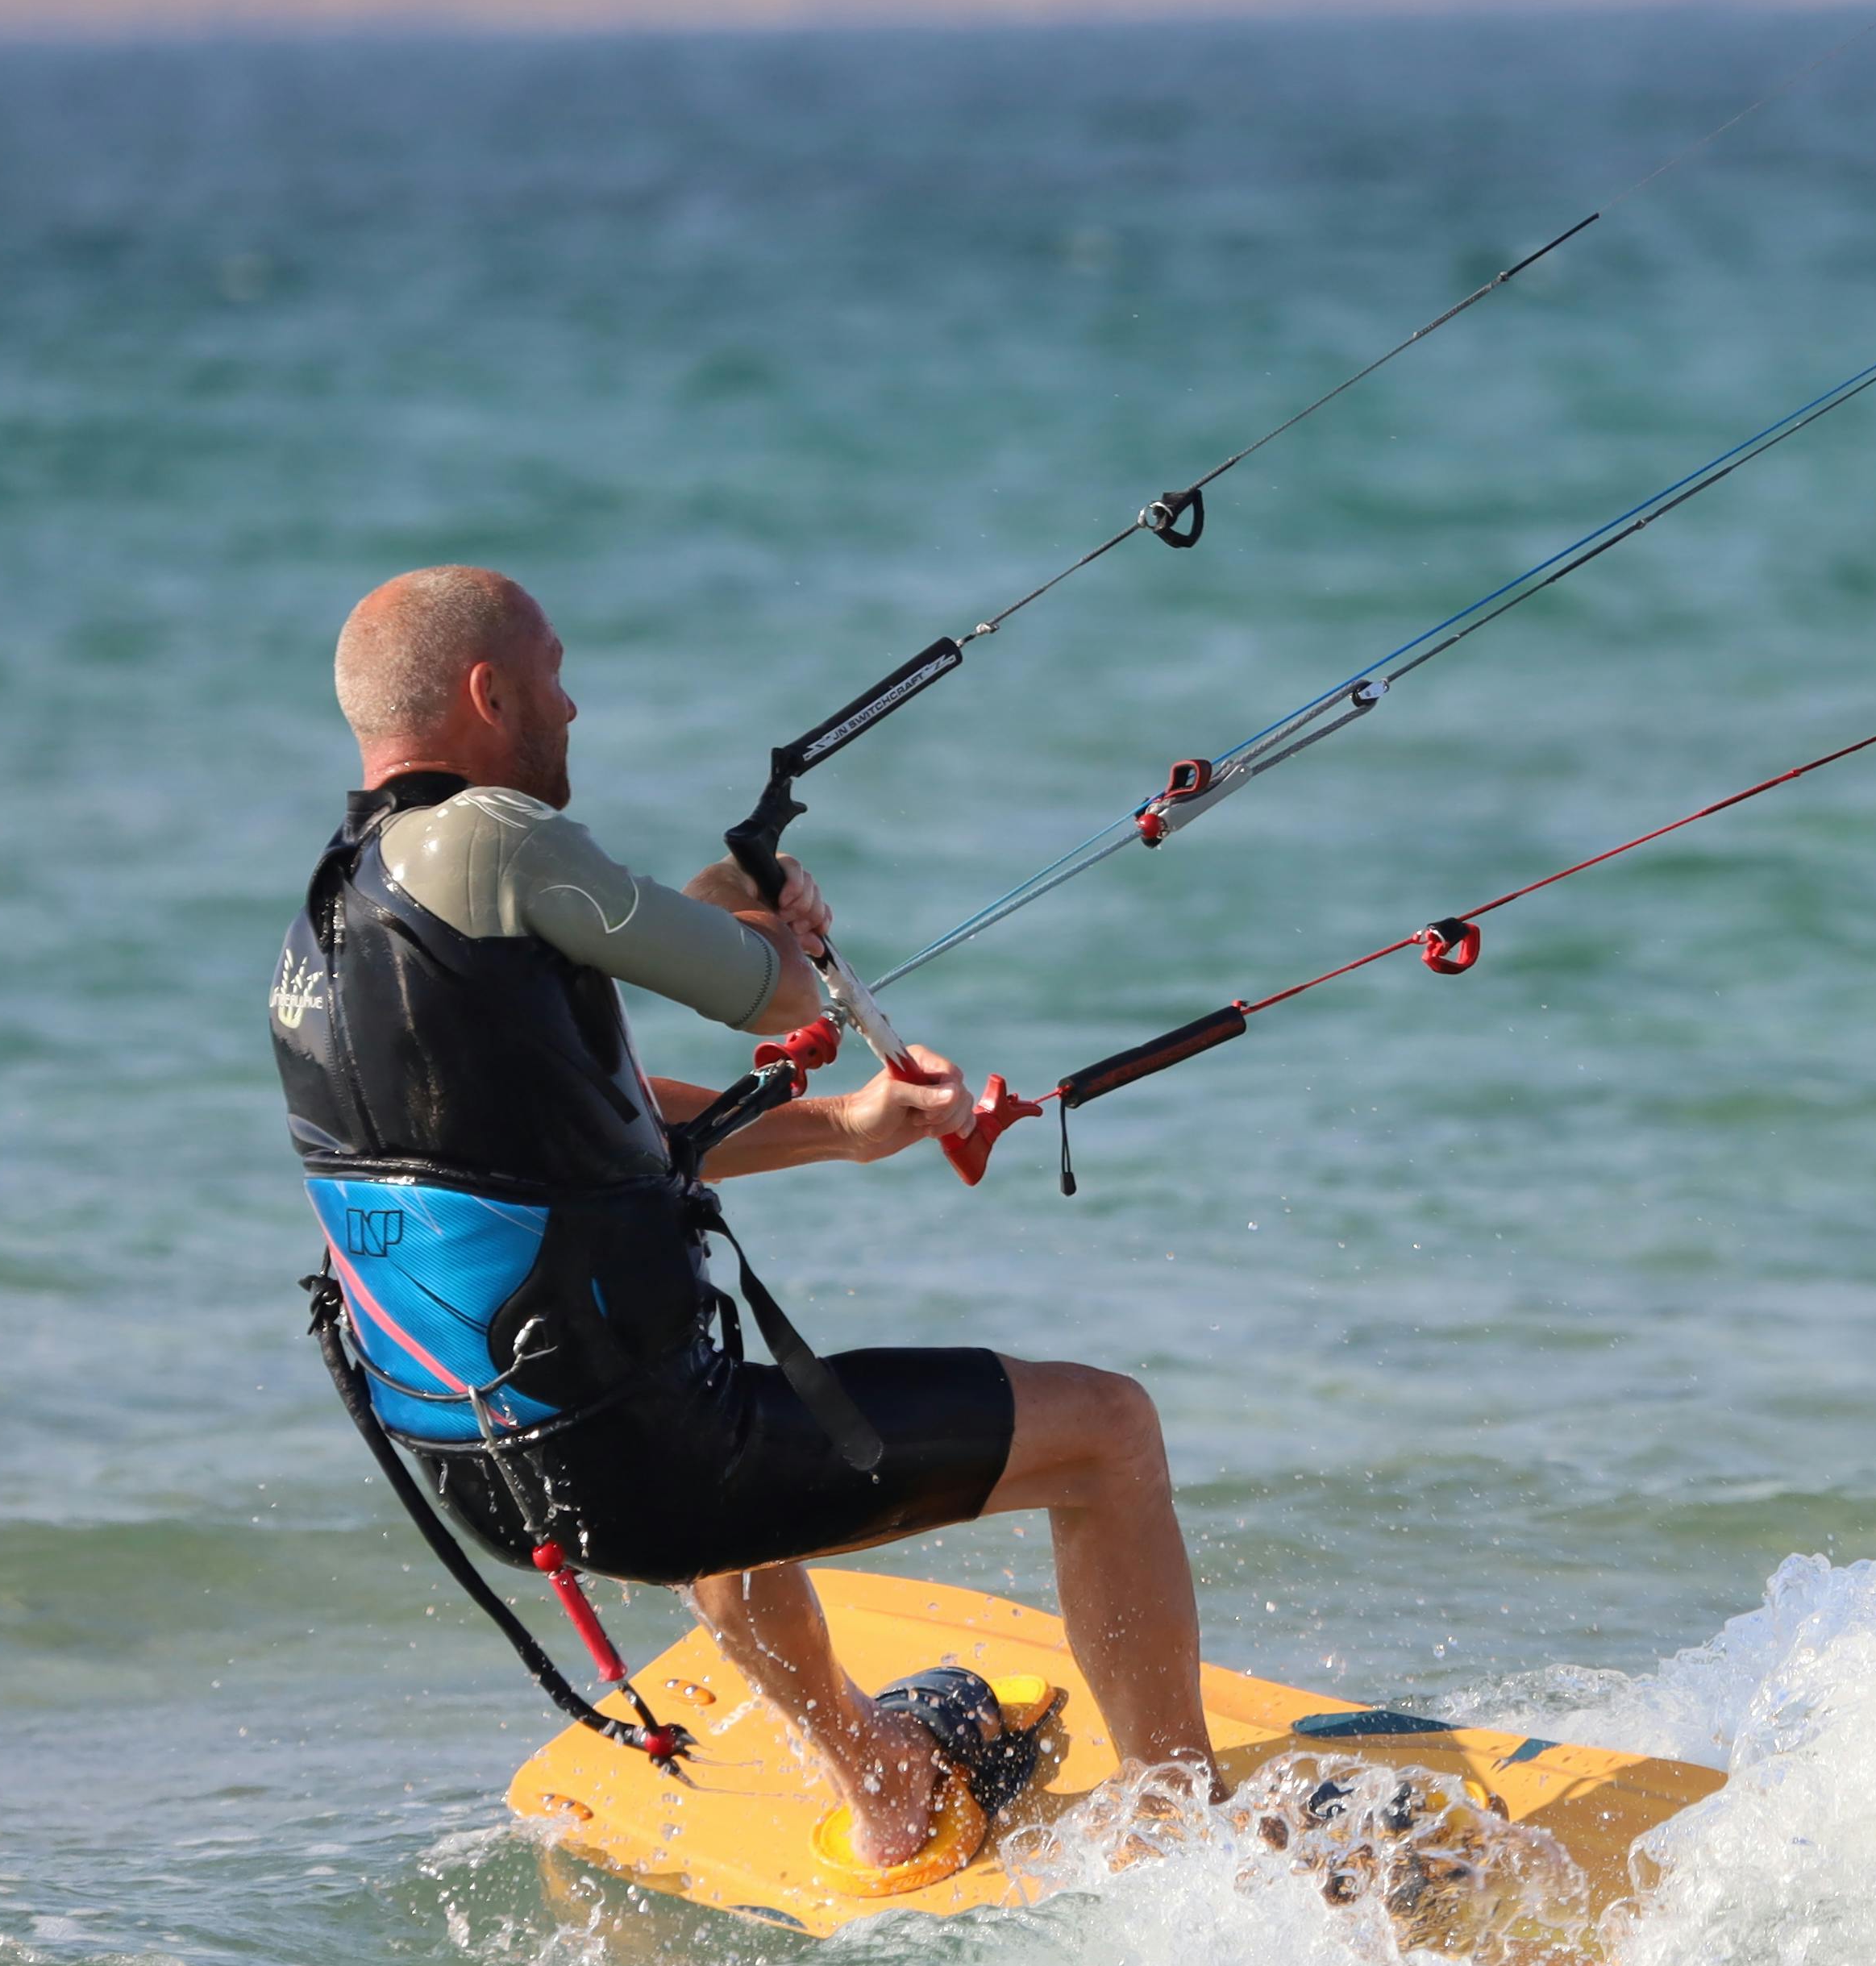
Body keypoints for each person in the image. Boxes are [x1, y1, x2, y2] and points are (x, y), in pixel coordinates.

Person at [273, 563, 1221, 1884]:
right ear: (488, 693)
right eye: (554, 675)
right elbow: (775, 996)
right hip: (644, 1458)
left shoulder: (338, 911)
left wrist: (846, 1127)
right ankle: (1190, 1843)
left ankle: (884, 1780)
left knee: (702, 1406)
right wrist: (765, 914)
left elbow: (586, 1128)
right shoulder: (490, 836)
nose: (573, 706)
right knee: (1109, 1433)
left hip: (495, 1471)